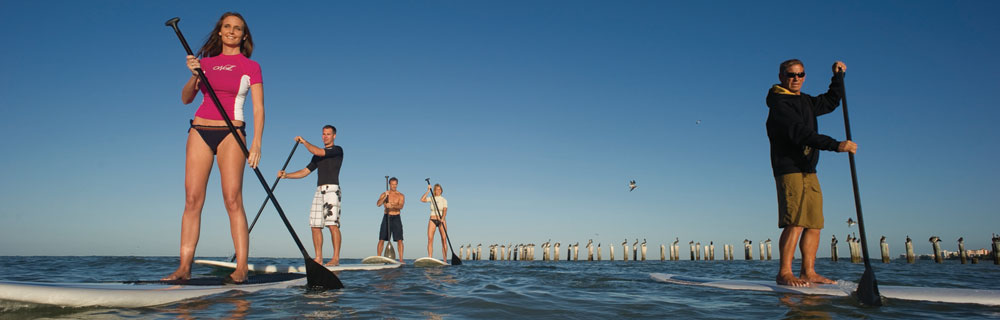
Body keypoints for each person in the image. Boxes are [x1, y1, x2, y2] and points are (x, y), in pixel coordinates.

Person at [163, 12, 264, 283]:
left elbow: (258, 107)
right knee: (192, 200)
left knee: (232, 200)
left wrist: (256, 143)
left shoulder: (250, 66)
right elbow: (186, 99)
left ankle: (241, 267)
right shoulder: (204, 63)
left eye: (238, 28)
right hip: (199, 130)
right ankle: (184, 268)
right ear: (220, 31)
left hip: (232, 132)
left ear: (244, 35)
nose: (232, 31)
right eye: (227, 27)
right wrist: (194, 75)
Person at [766, 59, 856, 287]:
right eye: (791, 74)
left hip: (809, 168)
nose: (795, 79)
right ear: (781, 76)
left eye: (800, 74)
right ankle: (784, 273)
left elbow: (830, 102)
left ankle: (809, 272)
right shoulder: (779, 104)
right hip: (789, 168)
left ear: (804, 76)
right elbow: (799, 133)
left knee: (814, 223)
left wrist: (837, 78)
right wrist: (836, 145)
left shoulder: (805, 101)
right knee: (795, 221)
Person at [277, 125, 344, 266]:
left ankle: (335, 258)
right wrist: (286, 175)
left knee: (332, 225)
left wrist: (304, 142)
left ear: (334, 136)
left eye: (328, 134)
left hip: (332, 190)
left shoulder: (337, 150)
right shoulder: (317, 156)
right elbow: (305, 172)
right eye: (323, 134)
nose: (325, 136)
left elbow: (319, 151)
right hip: (319, 191)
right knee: (315, 225)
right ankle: (318, 258)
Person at [376, 177, 405, 263]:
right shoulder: (384, 194)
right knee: (381, 239)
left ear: (397, 184)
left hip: (396, 217)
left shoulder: (400, 195)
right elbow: (378, 204)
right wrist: (385, 196)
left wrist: (392, 206)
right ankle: (378, 258)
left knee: (399, 239)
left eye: (395, 184)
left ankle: (401, 259)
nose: (394, 186)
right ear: (389, 184)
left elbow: (401, 206)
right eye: (392, 184)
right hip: (386, 216)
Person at [420, 183, 449, 261]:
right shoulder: (431, 198)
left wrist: (442, 218)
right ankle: (430, 257)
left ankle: (445, 259)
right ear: (434, 191)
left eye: (439, 189)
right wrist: (428, 191)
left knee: (443, 239)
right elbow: (422, 199)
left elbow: (445, 210)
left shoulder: (444, 200)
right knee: (430, 239)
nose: (438, 191)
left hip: (441, 220)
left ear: (441, 190)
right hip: (432, 219)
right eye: (436, 189)